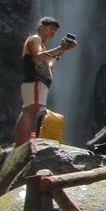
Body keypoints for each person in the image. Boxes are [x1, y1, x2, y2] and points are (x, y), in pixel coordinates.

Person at [12, 16, 76, 146]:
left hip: (40, 82)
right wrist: (59, 47)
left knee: (29, 111)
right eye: (51, 28)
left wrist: (61, 51)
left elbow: (47, 66)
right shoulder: (35, 39)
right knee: (29, 112)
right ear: (41, 27)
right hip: (35, 81)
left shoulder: (43, 46)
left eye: (55, 30)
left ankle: (21, 144)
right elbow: (37, 58)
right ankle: (22, 145)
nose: (53, 32)